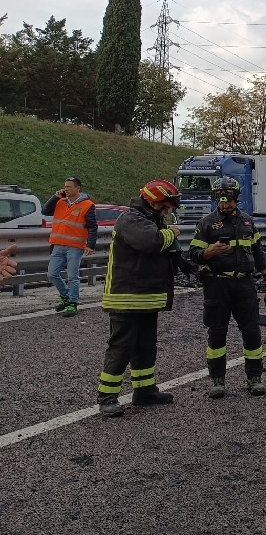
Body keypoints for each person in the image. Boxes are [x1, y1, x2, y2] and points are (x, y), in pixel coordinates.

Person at [95, 180, 182, 418]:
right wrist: (171, 233)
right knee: (121, 348)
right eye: (165, 205)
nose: (168, 211)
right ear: (152, 200)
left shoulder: (152, 220)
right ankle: (107, 397)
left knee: (145, 348)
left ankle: (144, 391)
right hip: (126, 298)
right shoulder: (131, 219)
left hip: (147, 297)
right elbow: (152, 243)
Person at [188, 176, 266, 399]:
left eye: (229, 200)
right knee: (217, 332)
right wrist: (210, 252)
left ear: (237, 198)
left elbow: (257, 250)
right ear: (216, 199)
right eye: (221, 199)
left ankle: (254, 378)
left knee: (251, 330)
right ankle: (217, 381)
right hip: (217, 283)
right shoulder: (206, 223)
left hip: (244, 284)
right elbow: (193, 255)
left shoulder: (247, 222)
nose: (225, 204)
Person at [42, 177, 97, 317]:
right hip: (57, 245)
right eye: (65, 186)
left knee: (72, 276)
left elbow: (92, 227)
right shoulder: (60, 201)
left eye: (69, 187)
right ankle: (66, 297)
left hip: (75, 246)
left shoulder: (87, 205)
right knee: (52, 274)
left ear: (78, 188)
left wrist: (90, 245)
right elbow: (45, 211)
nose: (66, 189)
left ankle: (72, 304)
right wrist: (54, 197)